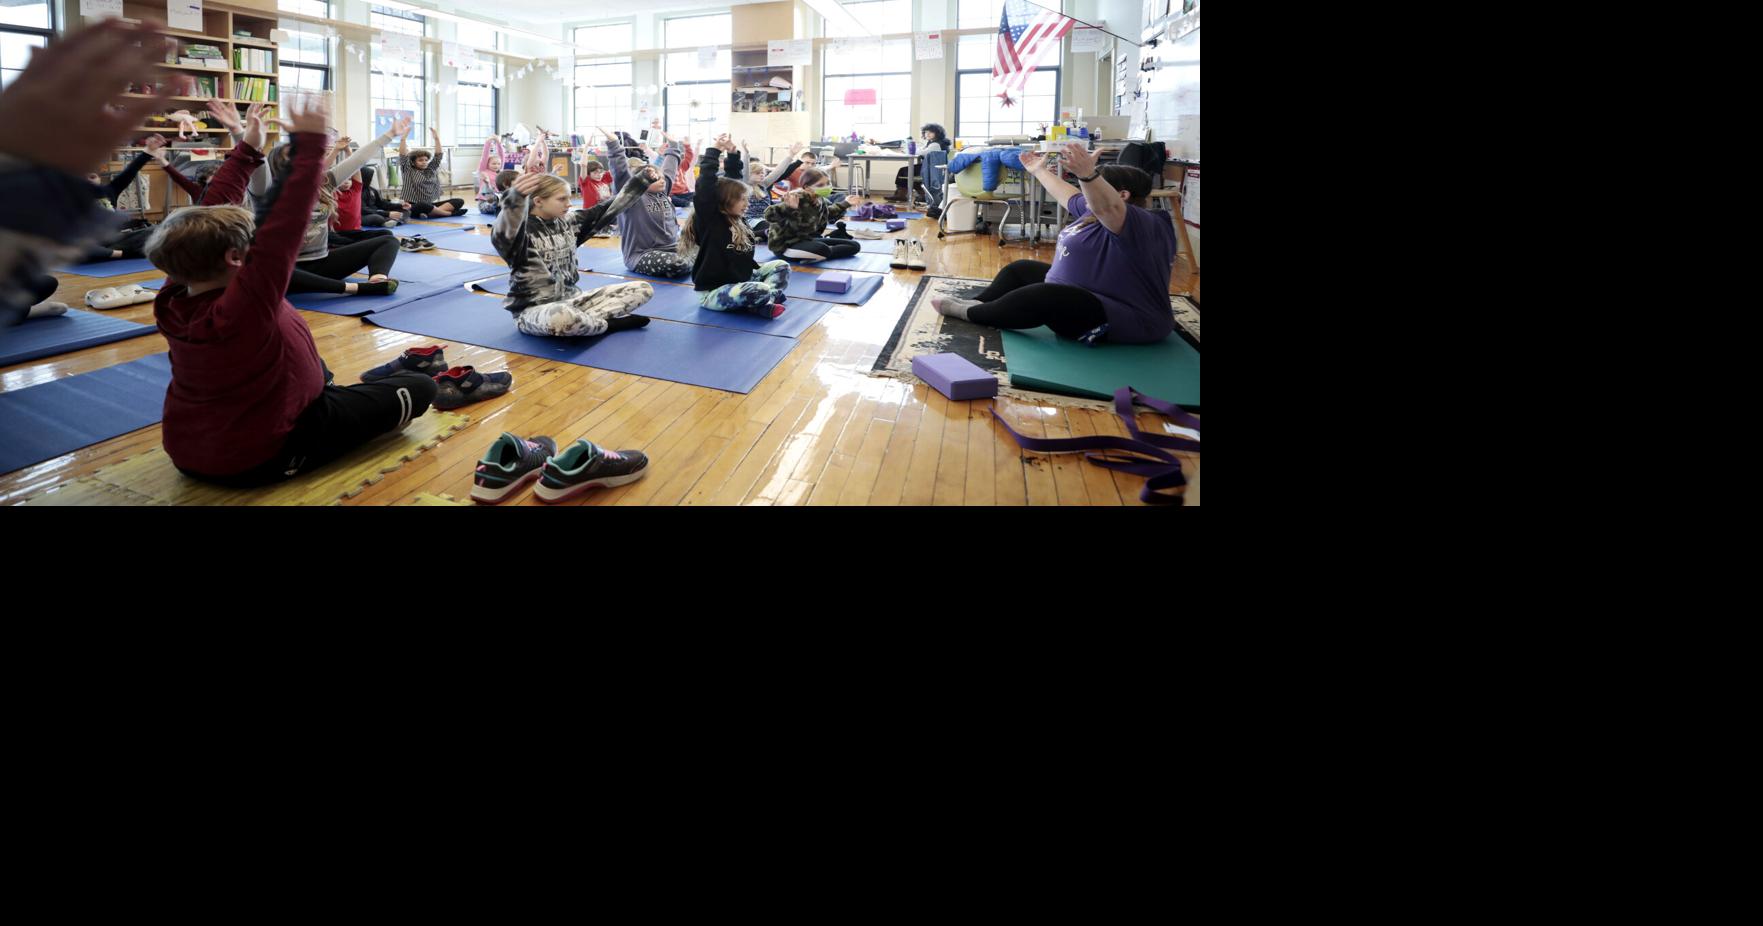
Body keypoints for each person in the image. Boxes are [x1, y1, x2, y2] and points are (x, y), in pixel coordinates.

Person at [144, 95, 438, 486]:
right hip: (267, 454)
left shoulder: (173, 294)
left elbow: (211, 207)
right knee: (421, 386)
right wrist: (313, 146)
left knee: (318, 367)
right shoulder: (245, 305)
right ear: (237, 258)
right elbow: (284, 230)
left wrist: (247, 148)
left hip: (187, 451)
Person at [932, 143, 1176, 345]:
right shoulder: (1093, 210)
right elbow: (1067, 194)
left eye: (1093, 186)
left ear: (1122, 195)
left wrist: (1088, 174)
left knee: (1044, 296)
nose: (1085, 192)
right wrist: (1038, 171)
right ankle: (982, 303)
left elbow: (1107, 206)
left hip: (1126, 318)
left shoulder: (1143, 225)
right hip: (1086, 294)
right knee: (1021, 270)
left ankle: (971, 313)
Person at [489, 167, 657, 337]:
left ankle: (586, 323)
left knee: (643, 289)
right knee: (562, 317)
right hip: (534, 311)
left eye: (569, 198)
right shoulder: (520, 233)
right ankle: (607, 325)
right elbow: (503, 232)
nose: (569, 204)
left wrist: (641, 181)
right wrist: (515, 200)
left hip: (574, 300)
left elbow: (608, 208)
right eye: (562, 199)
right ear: (538, 201)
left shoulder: (568, 222)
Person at [679, 135, 787, 319]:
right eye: (741, 199)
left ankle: (763, 300)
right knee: (758, 289)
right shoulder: (711, 220)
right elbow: (705, 185)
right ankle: (765, 298)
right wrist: (714, 151)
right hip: (714, 292)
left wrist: (733, 155)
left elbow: (733, 182)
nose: (746, 204)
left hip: (741, 280)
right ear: (725, 201)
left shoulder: (739, 220)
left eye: (746, 199)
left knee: (780, 266)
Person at [599, 122, 690, 278]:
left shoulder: (663, 190)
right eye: (656, 179)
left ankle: (689, 262)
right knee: (679, 263)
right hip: (641, 255)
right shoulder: (633, 197)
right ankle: (686, 263)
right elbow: (620, 174)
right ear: (642, 181)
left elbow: (670, 168)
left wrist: (674, 145)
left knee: (708, 251)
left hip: (673, 248)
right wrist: (614, 145)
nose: (662, 181)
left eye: (662, 178)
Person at [764, 168, 857, 262]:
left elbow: (827, 214)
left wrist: (846, 203)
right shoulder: (796, 198)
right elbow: (769, 215)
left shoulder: (820, 199)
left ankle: (816, 256)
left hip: (808, 239)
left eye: (828, 183)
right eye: (820, 185)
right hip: (786, 246)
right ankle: (818, 254)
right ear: (807, 187)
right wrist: (789, 209)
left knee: (854, 246)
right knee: (822, 249)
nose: (826, 187)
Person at [396, 126, 467, 217]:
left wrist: (436, 139)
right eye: (420, 160)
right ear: (413, 162)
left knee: (459, 201)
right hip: (413, 205)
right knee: (422, 206)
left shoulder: (431, 169)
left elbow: (438, 156)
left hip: (430, 205)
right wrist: (403, 139)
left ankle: (431, 213)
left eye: (426, 160)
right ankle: (449, 213)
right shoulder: (408, 170)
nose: (424, 162)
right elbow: (403, 155)